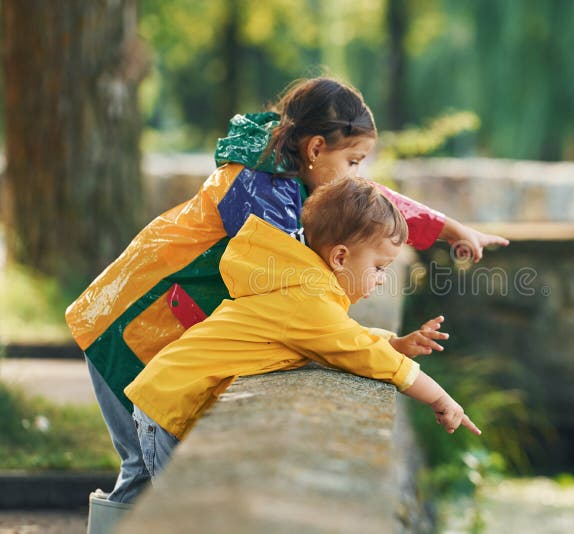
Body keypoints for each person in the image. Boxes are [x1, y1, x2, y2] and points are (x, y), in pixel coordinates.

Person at [66, 77, 507, 507]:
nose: (359, 173)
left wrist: (450, 230)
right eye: (354, 160)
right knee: (142, 472)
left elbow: (361, 205)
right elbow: (315, 307)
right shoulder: (260, 191)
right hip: (125, 322)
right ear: (316, 148)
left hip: (159, 321)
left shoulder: (290, 174)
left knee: (147, 469)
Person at [125, 178, 481, 479]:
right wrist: (439, 397)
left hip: (169, 390)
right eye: (378, 267)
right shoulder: (306, 299)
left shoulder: (302, 284)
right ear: (340, 257)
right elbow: (361, 353)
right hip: (169, 405)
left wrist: (395, 342)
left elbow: (343, 336)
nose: (382, 279)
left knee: (137, 496)